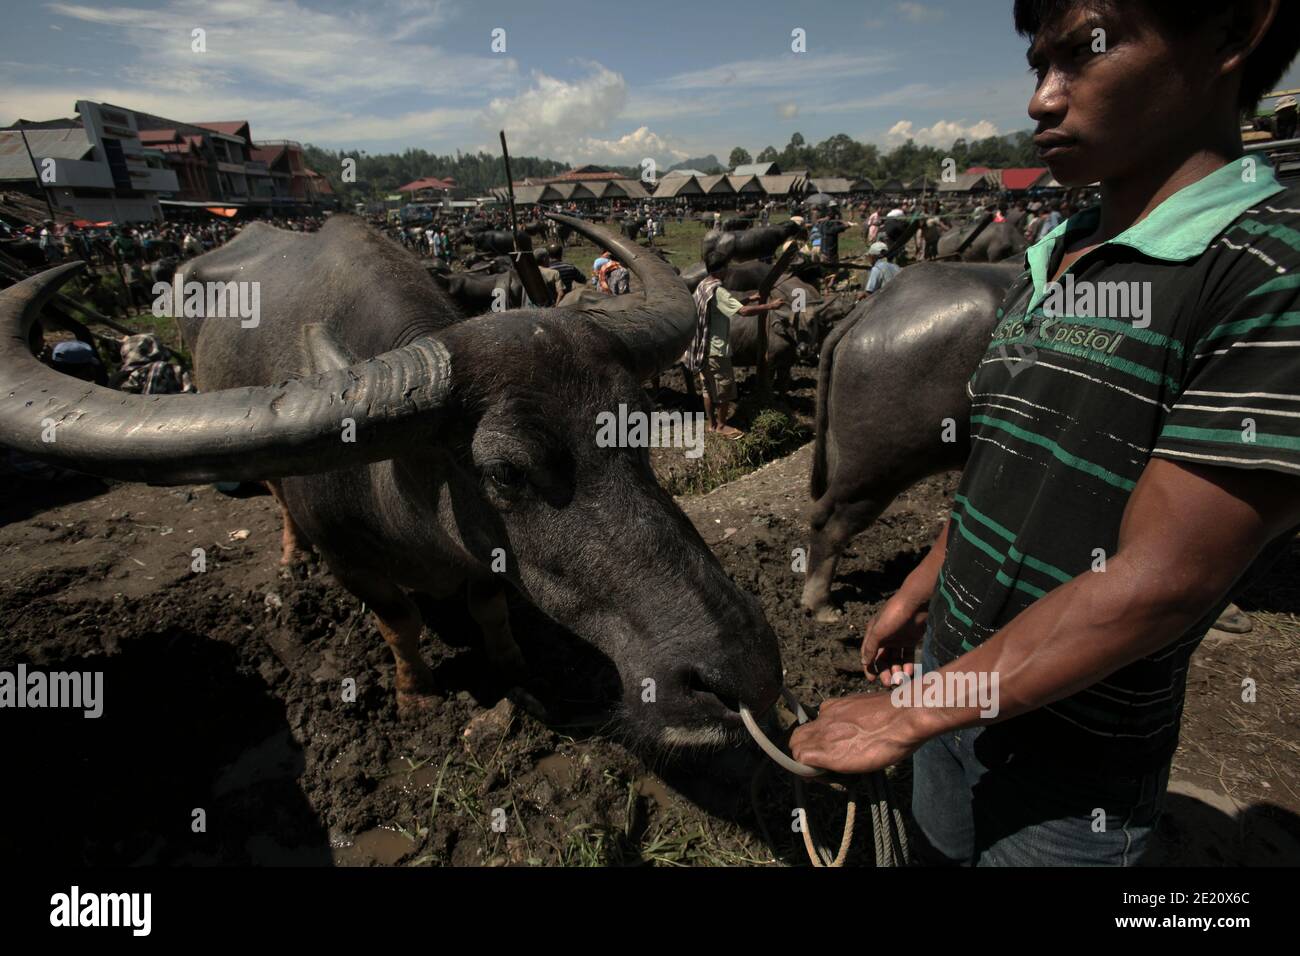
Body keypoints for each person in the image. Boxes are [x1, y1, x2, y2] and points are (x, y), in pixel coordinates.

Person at [791, 0, 1300, 867]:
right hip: (951, 690)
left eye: (1083, 54)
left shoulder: (1268, 273)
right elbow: (1001, 464)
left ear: (1230, 31)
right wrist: (924, 588)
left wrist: (909, 713)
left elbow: (1160, 581)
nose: (1042, 99)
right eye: (1038, 66)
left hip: (1072, 773)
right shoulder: (1055, 253)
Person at [687, 251, 785, 439]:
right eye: (727, 267)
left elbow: (727, 305)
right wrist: (769, 306)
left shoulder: (703, 285)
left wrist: (749, 298)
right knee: (724, 390)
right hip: (717, 349)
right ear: (722, 269)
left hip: (702, 347)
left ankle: (711, 424)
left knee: (707, 388)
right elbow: (744, 312)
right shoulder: (718, 290)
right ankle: (722, 425)